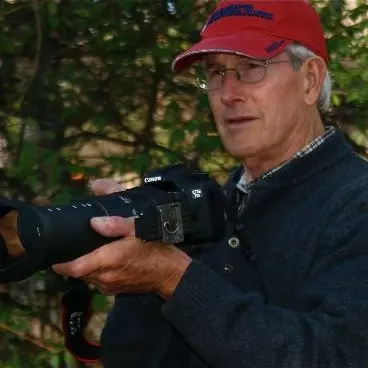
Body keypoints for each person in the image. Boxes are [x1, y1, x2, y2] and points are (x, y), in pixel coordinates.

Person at [53, 0, 368, 367]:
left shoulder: (356, 204)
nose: (228, 93)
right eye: (216, 73)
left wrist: (173, 277)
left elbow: (332, 357)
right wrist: (140, 263)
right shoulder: (212, 205)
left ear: (310, 79)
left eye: (252, 68)